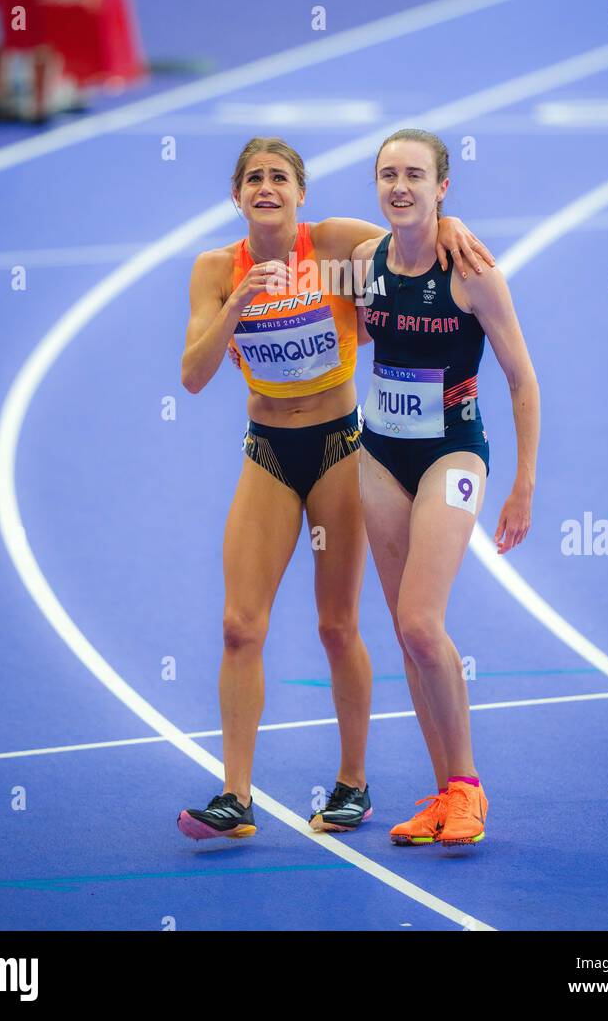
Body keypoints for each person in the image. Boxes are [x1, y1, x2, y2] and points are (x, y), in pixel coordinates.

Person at [178, 136, 495, 839]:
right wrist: (238, 306)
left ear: (300, 194)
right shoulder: (214, 269)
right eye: (253, 178)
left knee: (337, 624)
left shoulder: (333, 250)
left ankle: (353, 784)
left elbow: (408, 239)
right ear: (237, 196)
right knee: (239, 626)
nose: (266, 187)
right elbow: (193, 374)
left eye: (280, 178)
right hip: (267, 452)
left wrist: (455, 225)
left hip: (337, 449)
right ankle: (236, 794)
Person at [351, 128, 539, 847]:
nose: (400, 187)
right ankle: (441, 794)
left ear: (442, 187)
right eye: (388, 175)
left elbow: (523, 380)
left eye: (415, 176)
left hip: (452, 456)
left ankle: (468, 788)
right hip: (379, 457)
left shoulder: (473, 272)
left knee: (422, 621)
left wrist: (522, 484)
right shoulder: (365, 259)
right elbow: (300, 242)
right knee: (405, 631)